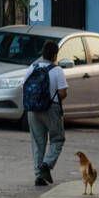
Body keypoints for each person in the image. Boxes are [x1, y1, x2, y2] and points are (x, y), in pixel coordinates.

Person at [26, 40, 68, 187]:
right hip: (51, 109)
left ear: (42, 53)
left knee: (38, 143)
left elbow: (25, 88)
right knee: (57, 139)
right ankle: (47, 164)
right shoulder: (57, 70)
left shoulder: (32, 67)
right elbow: (62, 93)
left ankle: (38, 177)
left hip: (32, 110)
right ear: (55, 54)